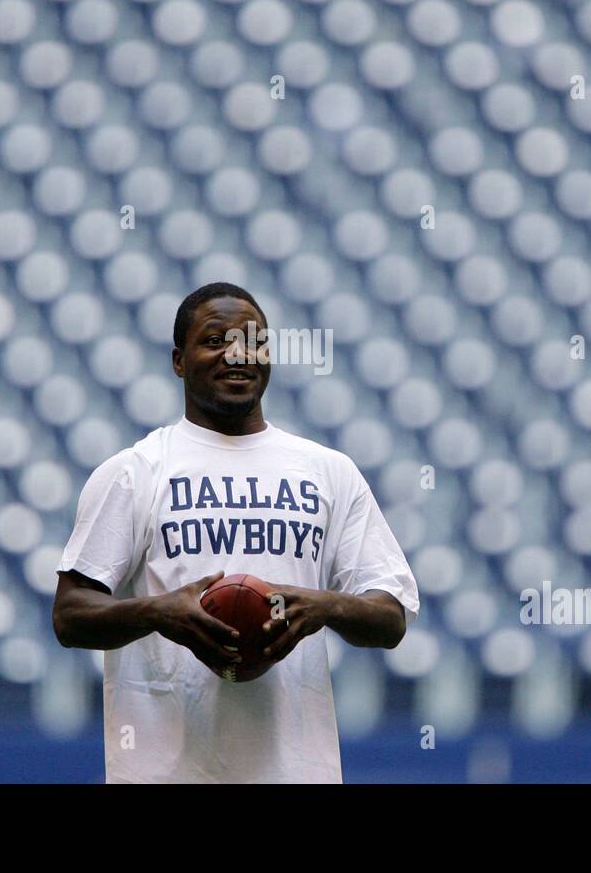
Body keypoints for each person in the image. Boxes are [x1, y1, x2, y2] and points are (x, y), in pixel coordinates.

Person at [52, 282, 419, 782]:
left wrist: (324, 605)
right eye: (215, 339)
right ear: (179, 361)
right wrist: (158, 613)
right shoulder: (134, 471)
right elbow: (70, 615)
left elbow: (390, 616)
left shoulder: (328, 471)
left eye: (253, 340)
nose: (237, 353)